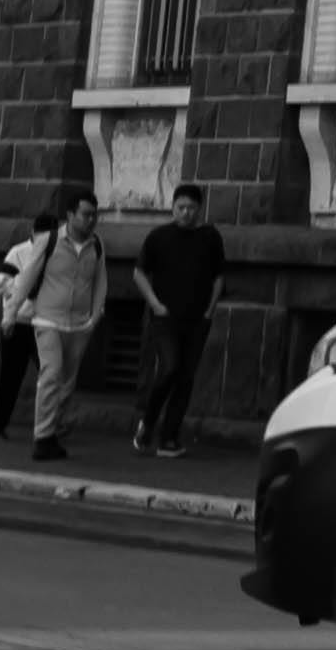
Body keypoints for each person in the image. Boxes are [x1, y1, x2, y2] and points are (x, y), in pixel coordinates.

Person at [131, 177, 225, 458]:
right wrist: (155, 304)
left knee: (185, 377)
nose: (186, 213)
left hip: (197, 319)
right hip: (165, 317)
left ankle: (169, 437)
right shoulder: (159, 237)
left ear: (199, 209)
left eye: (191, 208)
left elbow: (219, 276)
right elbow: (139, 273)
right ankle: (148, 421)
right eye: (181, 207)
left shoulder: (210, 237)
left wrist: (209, 310)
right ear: (172, 207)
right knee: (169, 367)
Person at [24, 191, 109, 463]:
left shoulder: (96, 245)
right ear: (70, 215)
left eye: (94, 215)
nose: (90, 220)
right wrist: (10, 314)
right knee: (51, 373)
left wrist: (95, 316)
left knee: (67, 384)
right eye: (85, 214)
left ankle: (52, 432)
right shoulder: (49, 241)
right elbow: (28, 277)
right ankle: (42, 436)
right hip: (48, 319)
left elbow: (100, 283)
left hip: (80, 324)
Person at [0, 203, 58, 438]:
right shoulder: (18, 252)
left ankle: (49, 426)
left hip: (44, 321)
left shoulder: (56, 254)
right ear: (34, 233)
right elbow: (2, 283)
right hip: (18, 321)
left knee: (51, 375)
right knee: (10, 377)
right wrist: (27, 283)